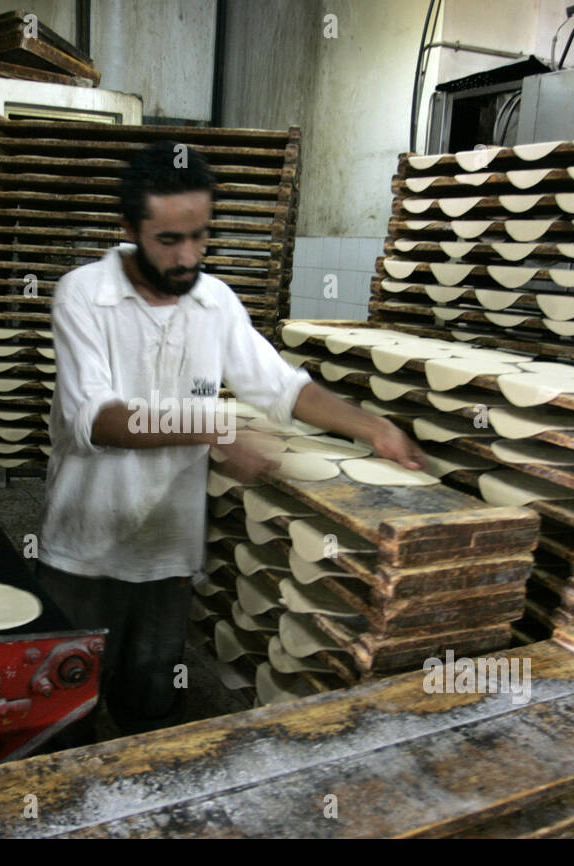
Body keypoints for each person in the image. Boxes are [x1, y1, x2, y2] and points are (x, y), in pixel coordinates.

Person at [34, 139, 425, 741]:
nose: (188, 255)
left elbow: (281, 388)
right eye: (169, 240)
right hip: (87, 546)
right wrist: (216, 427)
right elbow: (100, 418)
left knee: (152, 714)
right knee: (62, 715)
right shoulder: (83, 294)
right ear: (130, 228)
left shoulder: (214, 303)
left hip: (167, 551)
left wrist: (375, 427)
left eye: (200, 236)